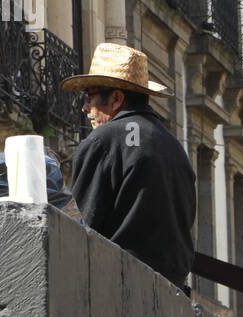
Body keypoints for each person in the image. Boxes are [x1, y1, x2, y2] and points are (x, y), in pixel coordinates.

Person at [63, 43, 196, 290]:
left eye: (89, 96)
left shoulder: (103, 140)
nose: (84, 108)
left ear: (116, 98)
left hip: (119, 286)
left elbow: (79, 227)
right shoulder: (175, 147)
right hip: (173, 291)